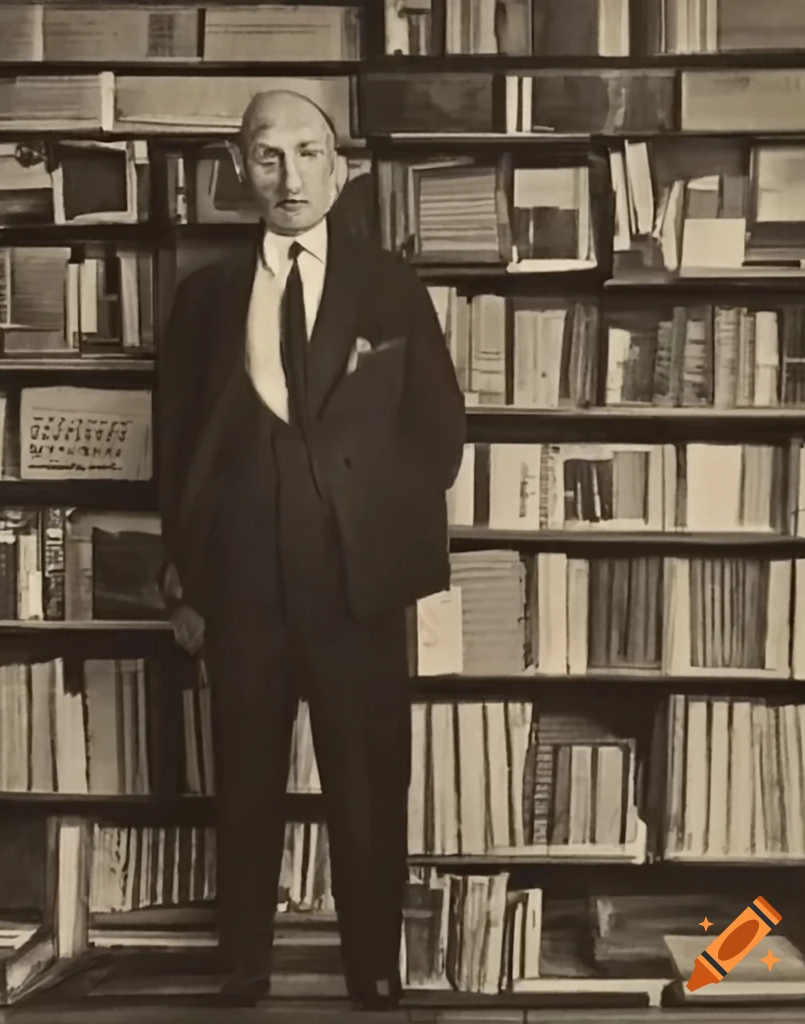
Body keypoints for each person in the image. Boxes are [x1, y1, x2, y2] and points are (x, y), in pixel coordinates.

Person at [157, 90, 465, 1011]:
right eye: (266, 156)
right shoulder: (206, 297)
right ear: (238, 169)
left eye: (307, 154)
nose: (288, 177)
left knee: (368, 786)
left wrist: (365, 517)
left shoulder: (390, 285)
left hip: (355, 588)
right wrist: (186, 577)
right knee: (245, 781)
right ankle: (243, 964)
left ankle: (372, 967)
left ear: (339, 167)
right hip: (241, 585)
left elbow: (438, 435)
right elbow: (175, 446)